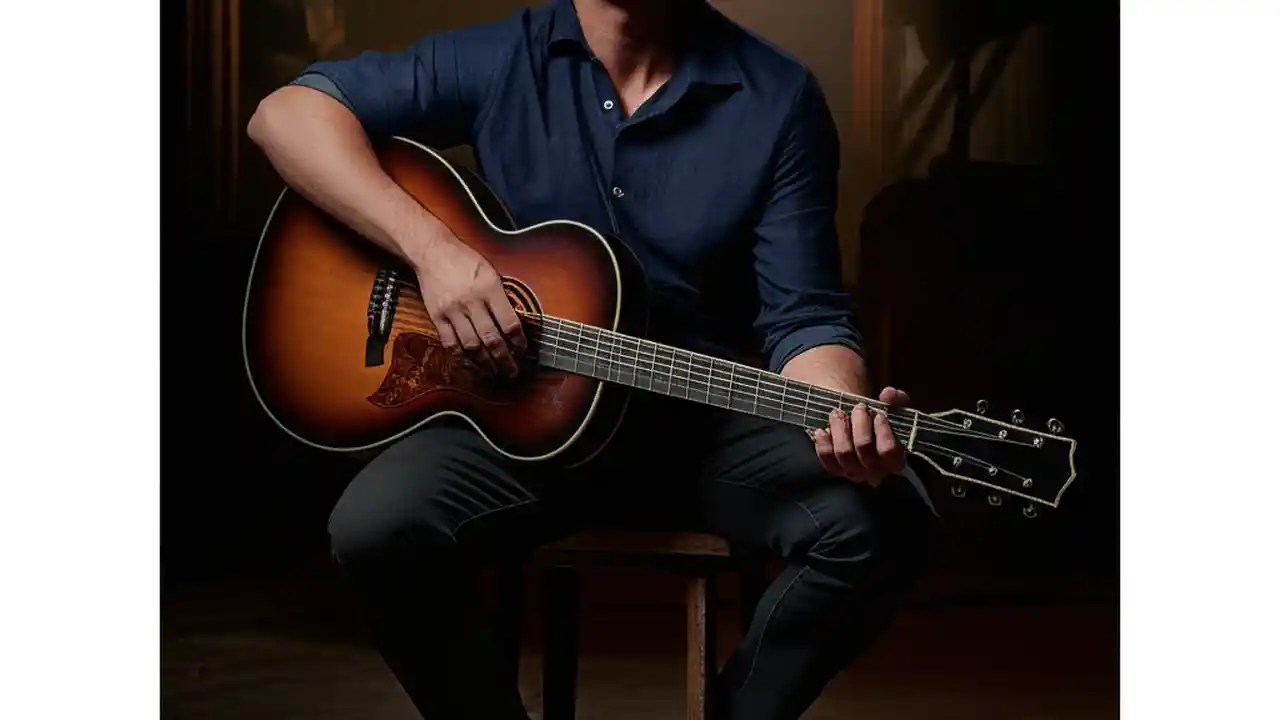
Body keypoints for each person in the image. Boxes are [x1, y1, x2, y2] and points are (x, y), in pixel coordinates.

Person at [247, 1, 941, 717]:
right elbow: (285, 116)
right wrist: (434, 253)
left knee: (887, 523)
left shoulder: (778, 96)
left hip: (700, 435)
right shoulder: (503, 55)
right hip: (525, 422)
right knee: (375, 527)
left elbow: (806, 314)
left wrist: (841, 414)